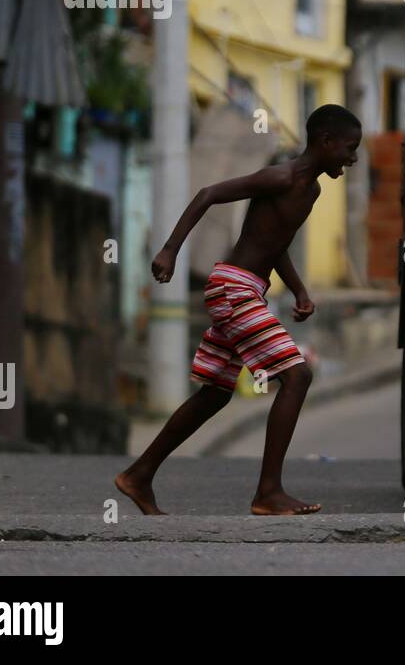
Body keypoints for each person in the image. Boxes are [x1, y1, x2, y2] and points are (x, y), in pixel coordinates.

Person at [115, 104, 363, 516]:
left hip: (247, 290)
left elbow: (275, 240)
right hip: (233, 288)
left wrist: (299, 289)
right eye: (349, 148)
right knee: (297, 376)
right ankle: (268, 493)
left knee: (214, 395)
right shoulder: (281, 176)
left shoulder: (311, 190)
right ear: (325, 142)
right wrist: (170, 250)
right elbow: (208, 194)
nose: (352, 158)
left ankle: (138, 476)